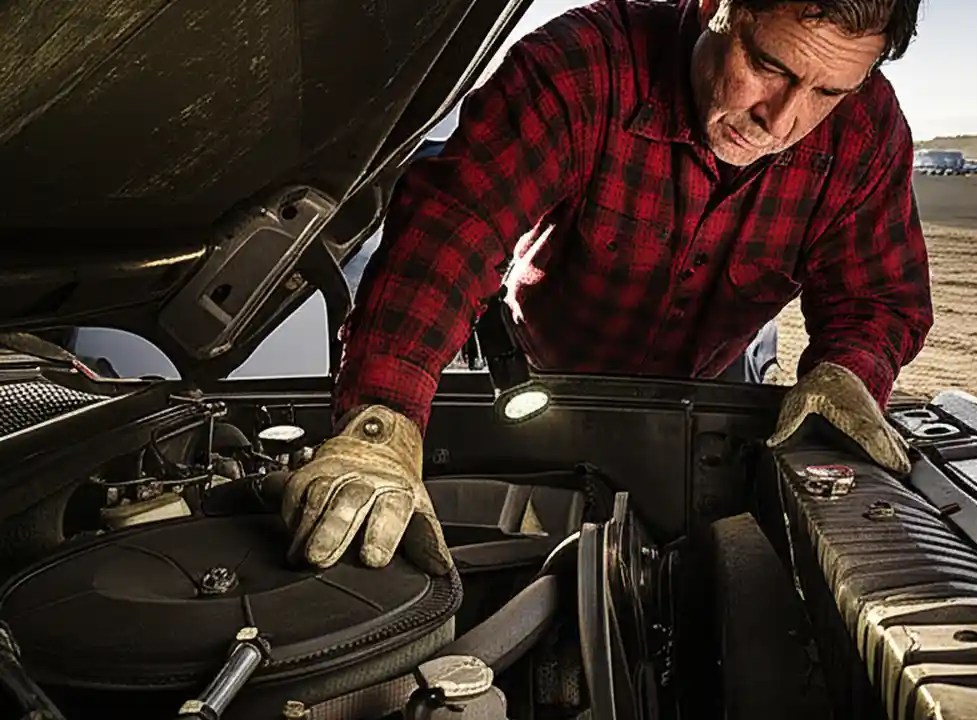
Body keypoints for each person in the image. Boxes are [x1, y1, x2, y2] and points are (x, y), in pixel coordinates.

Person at [279, 0, 933, 573]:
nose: (781, 120)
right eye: (770, 67)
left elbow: (875, 298)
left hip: (706, 389)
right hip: (542, 384)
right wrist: (382, 420)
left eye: (827, 93)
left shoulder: (867, 132)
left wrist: (849, 371)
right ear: (717, 6)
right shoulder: (582, 64)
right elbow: (458, 226)